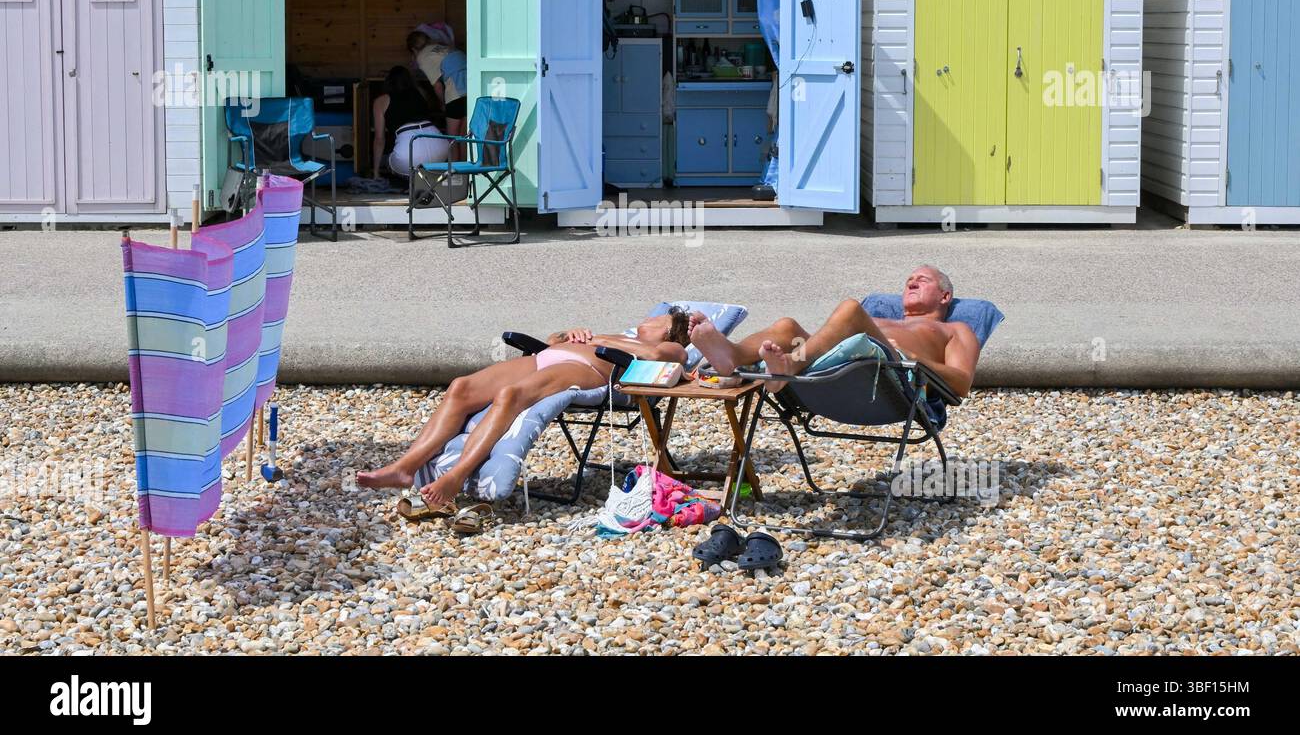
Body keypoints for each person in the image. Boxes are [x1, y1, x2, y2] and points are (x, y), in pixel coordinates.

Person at [356, 308, 707, 509]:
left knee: (510, 395)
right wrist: (566, 334)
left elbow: (655, 357)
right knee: (461, 387)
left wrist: (598, 339)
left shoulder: (674, 349)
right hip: (546, 357)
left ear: (669, 331)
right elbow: (554, 340)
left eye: (659, 317)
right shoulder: (617, 333)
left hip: (586, 372)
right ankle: (406, 467)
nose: (649, 317)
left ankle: (456, 476)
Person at [688, 265, 982, 397]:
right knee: (787, 327)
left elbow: (961, 383)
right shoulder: (882, 318)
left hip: (896, 372)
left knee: (851, 309)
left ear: (945, 297)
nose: (911, 283)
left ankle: (789, 365)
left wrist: (917, 358)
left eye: (922, 280)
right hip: (837, 362)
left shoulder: (955, 330)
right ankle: (731, 355)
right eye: (908, 281)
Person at [371, 65, 447, 179]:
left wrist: (376, 172)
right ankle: (426, 178)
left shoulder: (381, 101)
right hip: (440, 147)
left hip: (409, 151)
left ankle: (411, 180)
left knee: (386, 160)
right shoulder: (421, 92)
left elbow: (379, 139)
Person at [407, 22, 468, 157]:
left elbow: (438, 86)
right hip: (470, 87)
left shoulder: (423, 56)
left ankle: (456, 174)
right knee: (464, 137)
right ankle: (466, 174)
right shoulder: (442, 47)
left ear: (413, 49)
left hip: (456, 92)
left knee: (452, 139)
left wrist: (442, 104)